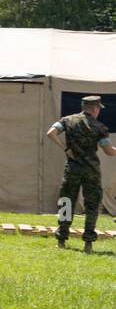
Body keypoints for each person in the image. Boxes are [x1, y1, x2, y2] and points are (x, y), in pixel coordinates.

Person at [47, 94, 114, 252]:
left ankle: (61, 240)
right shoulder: (100, 128)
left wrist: (65, 148)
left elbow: (51, 133)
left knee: (66, 202)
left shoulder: (67, 120)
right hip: (91, 171)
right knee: (92, 206)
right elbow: (109, 151)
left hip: (72, 169)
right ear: (95, 109)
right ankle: (88, 243)